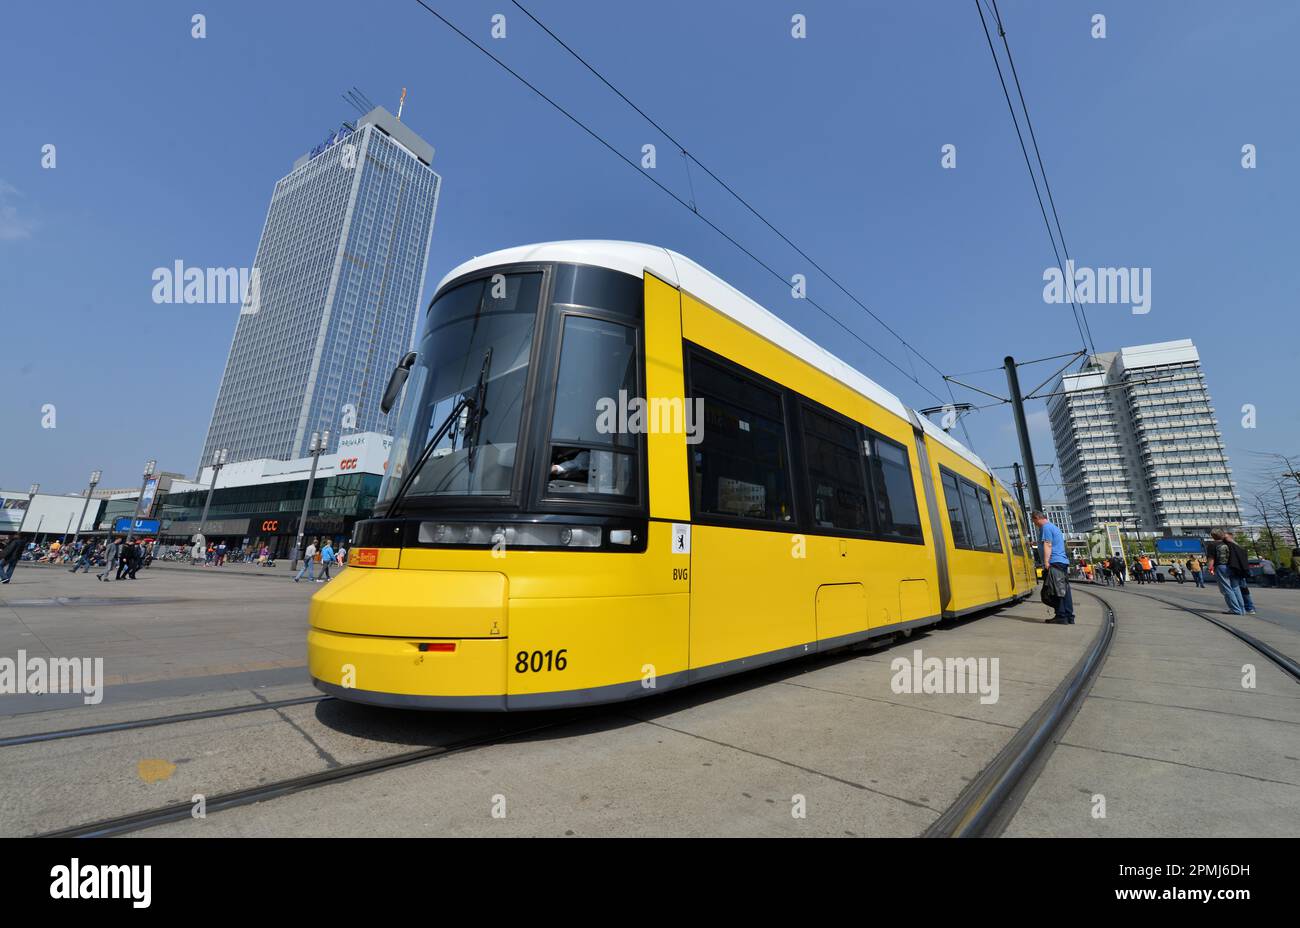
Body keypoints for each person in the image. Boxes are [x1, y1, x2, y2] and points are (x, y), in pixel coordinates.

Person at [1032, 511, 1074, 625]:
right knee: (1064, 590)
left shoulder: (1045, 528)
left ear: (1037, 518)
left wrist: (1046, 562)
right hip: (1061, 562)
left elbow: (1048, 544)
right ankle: (1069, 616)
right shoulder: (1053, 527)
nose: (1035, 524)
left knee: (1056, 590)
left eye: (1034, 522)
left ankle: (1061, 615)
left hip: (1054, 562)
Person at [1207, 530, 1244, 615]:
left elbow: (1211, 558)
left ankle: (1235, 609)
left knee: (1226, 588)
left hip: (1221, 567)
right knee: (1235, 588)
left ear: (1213, 536)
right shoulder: (1229, 543)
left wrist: (1210, 568)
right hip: (1233, 566)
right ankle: (1242, 609)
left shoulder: (1212, 545)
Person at [1223, 532, 1256, 614]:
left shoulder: (1230, 546)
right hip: (1242, 570)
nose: (1224, 538)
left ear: (1230, 537)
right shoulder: (1239, 546)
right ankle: (1249, 608)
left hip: (1235, 570)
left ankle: (1241, 608)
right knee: (1244, 589)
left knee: (1236, 589)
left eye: (1225, 537)